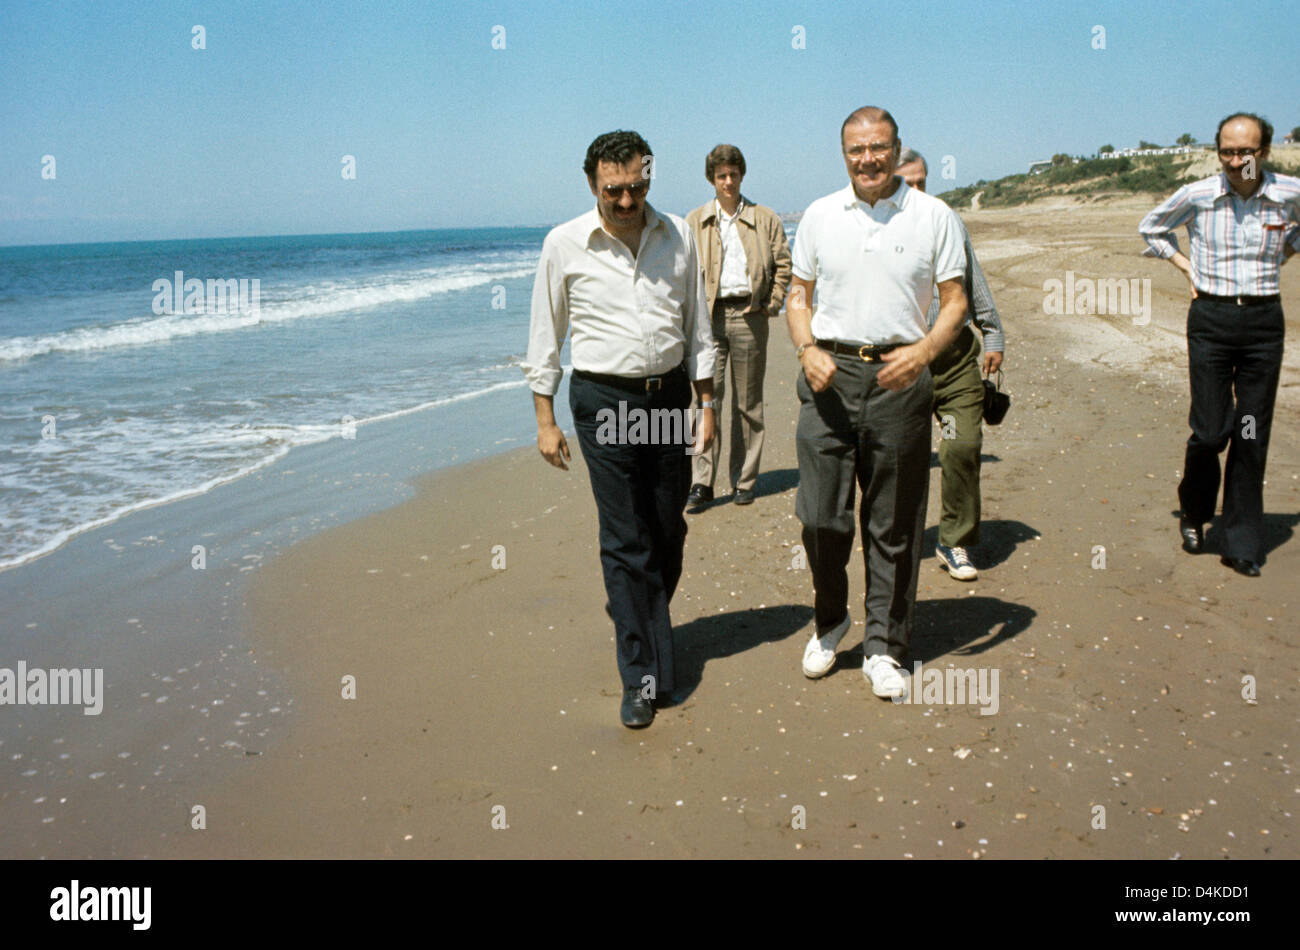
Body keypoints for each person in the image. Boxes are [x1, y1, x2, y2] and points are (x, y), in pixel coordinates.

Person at [522, 130, 716, 726]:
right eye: (614, 190)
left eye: (636, 188)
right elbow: (544, 333)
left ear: (649, 178)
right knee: (625, 539)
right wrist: (545, 419)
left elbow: (699, 324)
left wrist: (707, 406)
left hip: (666, 399)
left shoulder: (678, 235)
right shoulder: (564, 244)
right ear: (592, 185)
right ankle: (642, 675)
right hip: (603, 400)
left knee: (668, 529)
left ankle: (637, 610)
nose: (627, 201)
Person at [787, 106, 969, 698]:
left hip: (900, 376)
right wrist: (806, 346)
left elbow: (955, 302)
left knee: (893, 523)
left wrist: (924, 354)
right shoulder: (818, 215)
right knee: (820, 516)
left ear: (896, 149)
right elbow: (797, 296)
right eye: (857, 149)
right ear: (844, 154)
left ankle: (885, 646)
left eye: (879, 147)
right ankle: (832, 617)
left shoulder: (933, 216)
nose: (868, 158)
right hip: (828, 379)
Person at [1139, 112, 1300, 576]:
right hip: (1211, 321)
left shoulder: (1287, 193)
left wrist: (1285, 250)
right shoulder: (1199, 196)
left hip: (1263, 325)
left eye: (1245, 152)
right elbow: (1151, 228)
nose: (1235, 161)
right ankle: (1194, 509)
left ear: (1263, 153)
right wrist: (1186, 268)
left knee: (1250, 433)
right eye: (1227, 152)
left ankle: (1242, 540)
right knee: (1211, 432)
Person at [894, 148, 1005, 581]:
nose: (919, 190)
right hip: (903, 363)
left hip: (956, 360)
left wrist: (992, 332)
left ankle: (953, 539)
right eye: (910, 183)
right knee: (901, 457)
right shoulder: (878, 228)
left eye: (923, 181)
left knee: (961, 446)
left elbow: (971, 277)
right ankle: (898, 537)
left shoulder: (946, 219)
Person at [684, 145, 792, 511]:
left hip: (750, 315)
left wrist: (770, 304)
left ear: (742, 175)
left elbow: (783, 265)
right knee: (704, 399)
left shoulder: (766, 218)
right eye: (721, 176)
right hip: (707, 319)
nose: (728, 182)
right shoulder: (694, 221)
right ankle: (701, 483)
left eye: (733, 174)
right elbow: (682, 275)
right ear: (711, 179)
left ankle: (744, 480)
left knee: (748, 404)